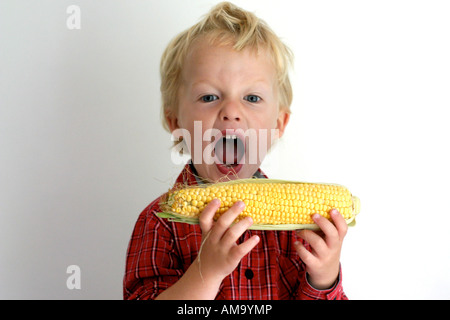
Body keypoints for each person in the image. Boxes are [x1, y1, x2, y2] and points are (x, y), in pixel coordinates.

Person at [123, 1, 348, 300]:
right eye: (209, 96)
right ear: (175, 121)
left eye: (252, 97)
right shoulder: (160, 222)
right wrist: (206, 272)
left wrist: (323, 279)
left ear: (279, 124)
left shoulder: (296, 228)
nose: (231, 111)